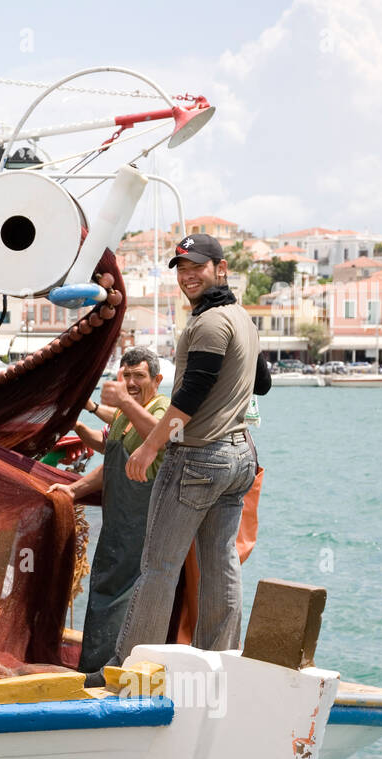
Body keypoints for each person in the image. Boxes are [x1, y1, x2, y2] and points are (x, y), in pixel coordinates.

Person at [109, 233, 270, 667]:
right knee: (220, 564)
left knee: (159, 568)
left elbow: (193, 391)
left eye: (197, 266)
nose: (188, 276)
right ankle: (219, 664)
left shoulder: (211, 323)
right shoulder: (241, 318)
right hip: (238, 456)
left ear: (221, 269)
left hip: (199, 456)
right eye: (181, 268)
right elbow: (263, 384)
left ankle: (133, 670)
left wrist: (148, 448)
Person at [47, 347, 170, 680]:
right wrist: (73, 490)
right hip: (116, 527)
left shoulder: (161, 411)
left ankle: (115, 672)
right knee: (102, 593)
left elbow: (162, 439)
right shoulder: (124, 416)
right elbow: (111, 458)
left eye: (138, 376)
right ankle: (94, 669)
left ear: (157, 380)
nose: (130, 383)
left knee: (125, 600)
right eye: (125, 375)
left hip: (142, 528)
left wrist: (123, 402)